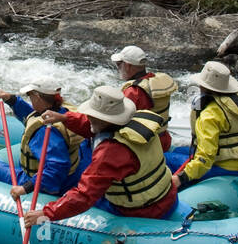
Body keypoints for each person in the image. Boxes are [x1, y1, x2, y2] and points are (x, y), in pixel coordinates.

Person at [22, 85, 179, 230]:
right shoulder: (137, 121)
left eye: (92, 115)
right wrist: (64, 118)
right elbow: (91, 126)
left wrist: (46, 214)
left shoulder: (111, 153)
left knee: (75, 195)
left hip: (142, 212)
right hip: (167, 196)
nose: (88, 117)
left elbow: (84, 195)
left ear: (104, 119)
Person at [0, 82, 85, 197]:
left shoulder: (45, 132)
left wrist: (26, 187)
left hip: (48, 185)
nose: (29, 99)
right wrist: (12, 100)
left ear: (38, 97)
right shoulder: (62, 112)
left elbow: (57, 167)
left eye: (30, 96)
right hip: (72, 176)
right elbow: (32, 115)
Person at [172, 61, 238, 189]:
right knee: (178, 151)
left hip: (228, 169)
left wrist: (181, 177)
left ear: (203, 87)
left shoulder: (209, 115)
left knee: (167, 158)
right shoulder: (237, 102)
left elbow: (205, 158)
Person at [110, 45, 177, 152]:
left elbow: (119, 121)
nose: (118, 68)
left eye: (119, 64)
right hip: (164, 139)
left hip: (148, 145)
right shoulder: (154, 81)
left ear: (127, 66)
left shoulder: (133, 91)